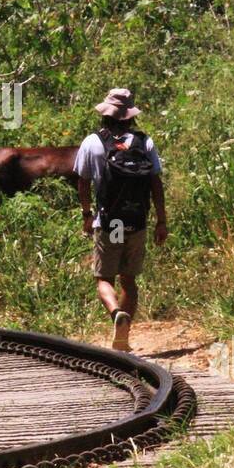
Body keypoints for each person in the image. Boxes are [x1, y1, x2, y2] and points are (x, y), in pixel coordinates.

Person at [73, 88, 168, 351]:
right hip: (136, 221)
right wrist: (161, 220)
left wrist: (86, 214)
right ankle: (123, 338)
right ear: (130, 116)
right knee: (129, 280)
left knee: (104, 278)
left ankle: (116, 313)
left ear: (105, 114)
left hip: (111, 223)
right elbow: (155, 184)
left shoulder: (93, 142)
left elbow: (83, 183)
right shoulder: (144, 142)